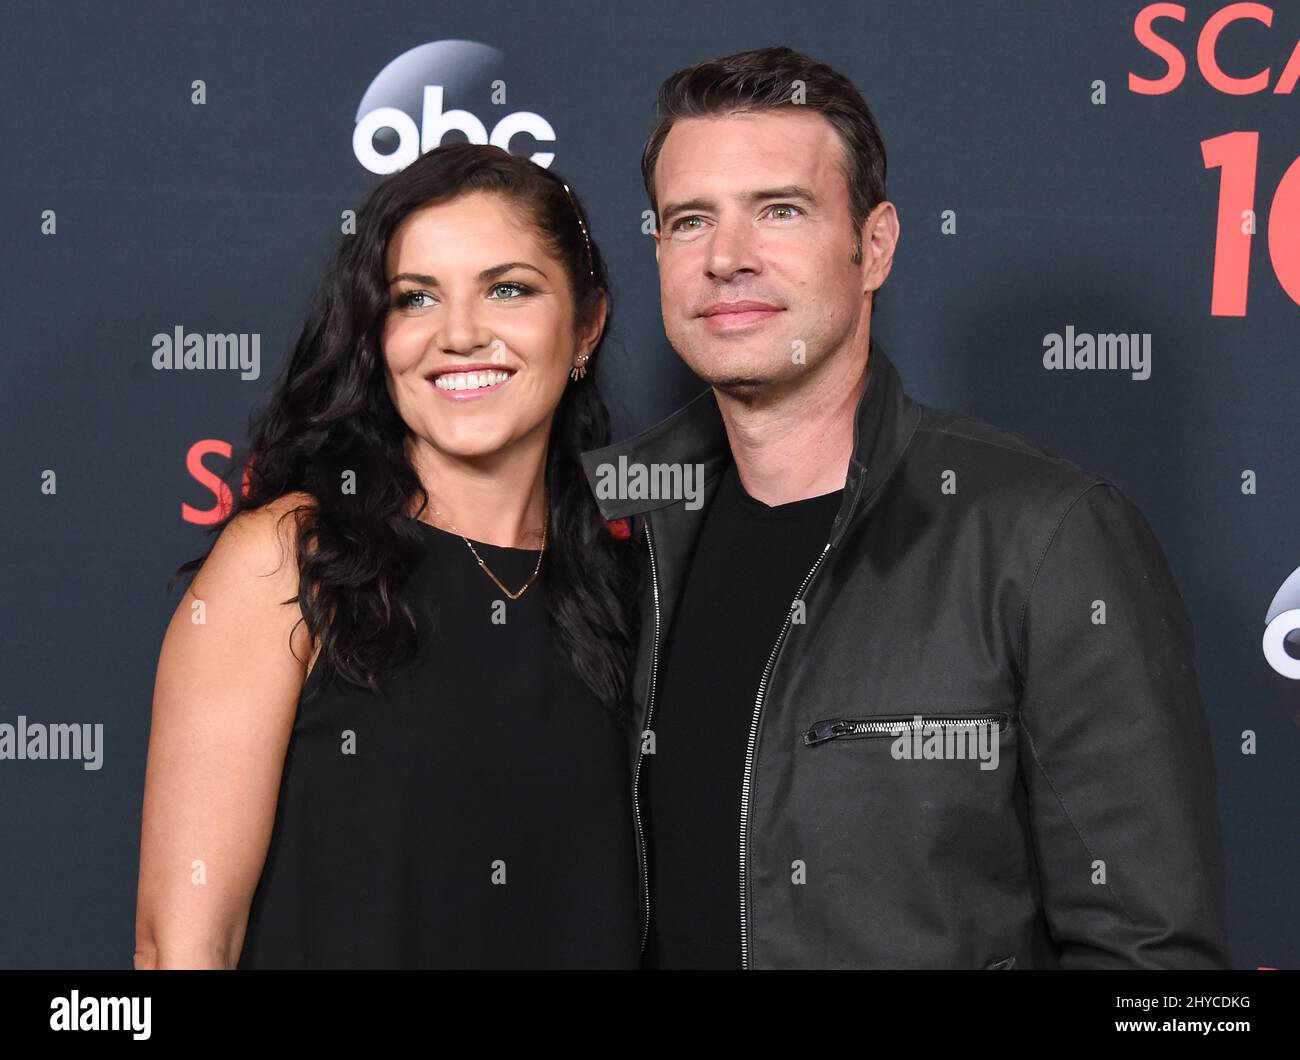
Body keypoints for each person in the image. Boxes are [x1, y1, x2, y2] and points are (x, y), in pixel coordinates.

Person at [579, 45, 1232, 969]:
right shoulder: (607, 520)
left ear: (874, 244)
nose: (726, 258)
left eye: (780, 210)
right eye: (690, 221)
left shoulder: (1042, 535)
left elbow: (1168, 981)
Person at [135, 142, 642, 969]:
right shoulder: (291, 561)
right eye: (415, 299)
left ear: (586, 323)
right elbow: (181, 950)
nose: (461, 335)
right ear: (377, 334)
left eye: (508, 288)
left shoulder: (632, 590)